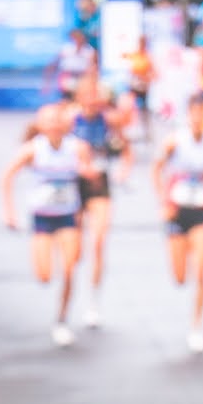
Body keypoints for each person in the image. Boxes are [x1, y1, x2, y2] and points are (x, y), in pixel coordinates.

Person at [1, 104, 94, 346]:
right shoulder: (33, 150)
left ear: (66, 124)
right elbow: (7, 176)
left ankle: (62, 319)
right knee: (44, 275)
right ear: (41, 125)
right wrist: (10, 212)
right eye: (48, 121)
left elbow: (88, 185)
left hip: (68, 216)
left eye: (57, 120)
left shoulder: (78, 148)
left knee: (69, 270)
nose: (54, 125)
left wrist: (84, 216)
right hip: (42, 217)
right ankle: (57, 307)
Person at [153, 91, 203, 354]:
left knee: (201, 272)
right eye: (194, 113)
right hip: (177, 210)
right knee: (180, 276)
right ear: (188, 115)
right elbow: (157, 168)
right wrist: (163, 202)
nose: (198, 119)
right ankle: (179, 264)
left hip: (201, 211)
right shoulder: (175, 141)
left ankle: (197, 327)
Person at [69, 77, 131, 328]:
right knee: (74, 251)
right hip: (73, 186)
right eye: (88, 95)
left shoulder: (109, 120)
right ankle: (69, 295)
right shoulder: (68, 119)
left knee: (98, 243)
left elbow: (126, 147)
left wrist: (124, 170)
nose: (93, 101)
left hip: (99, 185)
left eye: (97, 95)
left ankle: (93, 301)